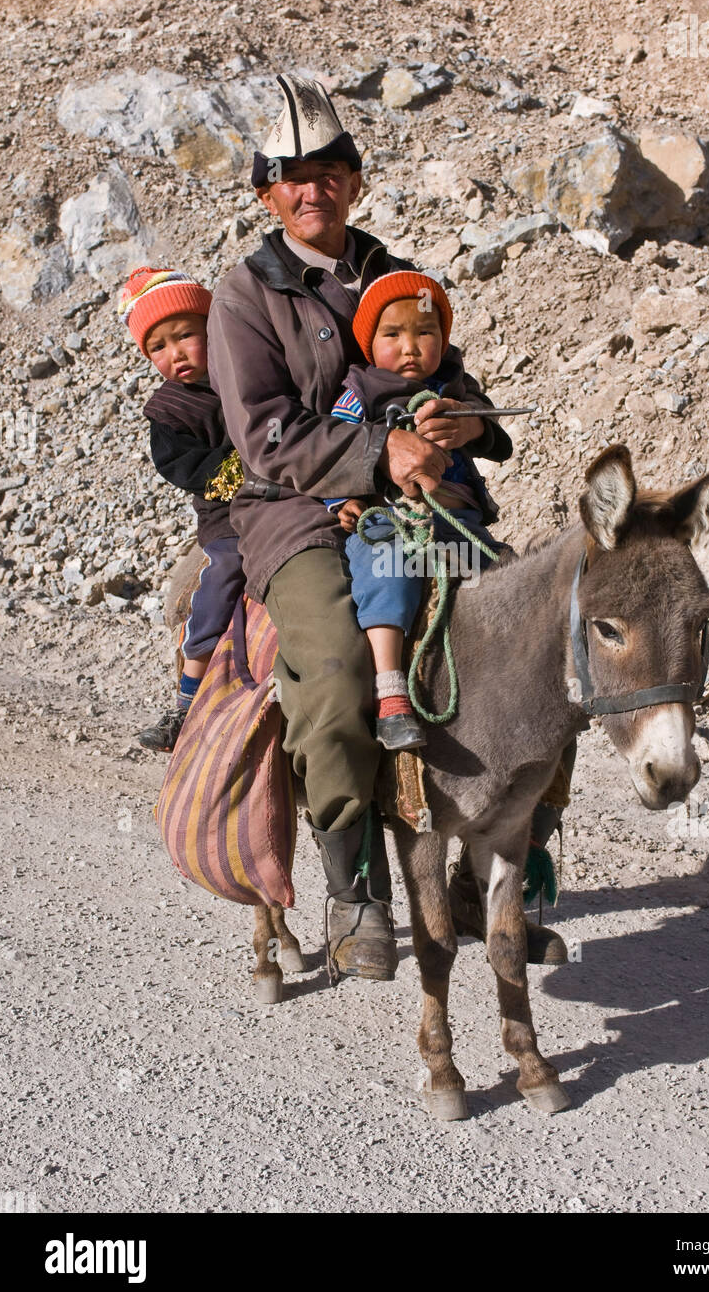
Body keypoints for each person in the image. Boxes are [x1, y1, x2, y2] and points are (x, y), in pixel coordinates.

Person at [207, 73, 515, 982]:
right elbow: (263, 435)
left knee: (529, 632)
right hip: (292, 510)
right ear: (267, 192)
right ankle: (353, 886)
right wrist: (380, 456)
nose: (313, 190)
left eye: (329, 171)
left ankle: (506, 871)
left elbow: (452, 378)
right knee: (338, 671)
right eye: (292, 177)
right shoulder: (242, 296)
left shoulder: (392, 275)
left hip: (414, 500)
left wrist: (470, 422)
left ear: (356, 180)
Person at [324, 270, 504, 751]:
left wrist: (468, 427)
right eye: (393, 334)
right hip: (390, 518)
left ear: (443, 339)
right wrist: (343, 501)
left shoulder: (456, 388)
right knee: (388, 574)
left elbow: (497, 437)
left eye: (425, 333)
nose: (410, 347)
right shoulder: (358, 393)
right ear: (369, 344)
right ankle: (391, 694)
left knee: (503, 580)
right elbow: (334, 450)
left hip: (454, 521)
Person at [118, 267, 245, 751]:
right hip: (228, 518)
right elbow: (191, 469)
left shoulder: (251, 372)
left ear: (212, 328)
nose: (175, 354)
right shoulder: (170, 413)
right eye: (158, 347)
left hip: (292, 500)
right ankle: (187, 699)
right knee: (221, 577)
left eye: (186, 335)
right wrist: (254, 464)